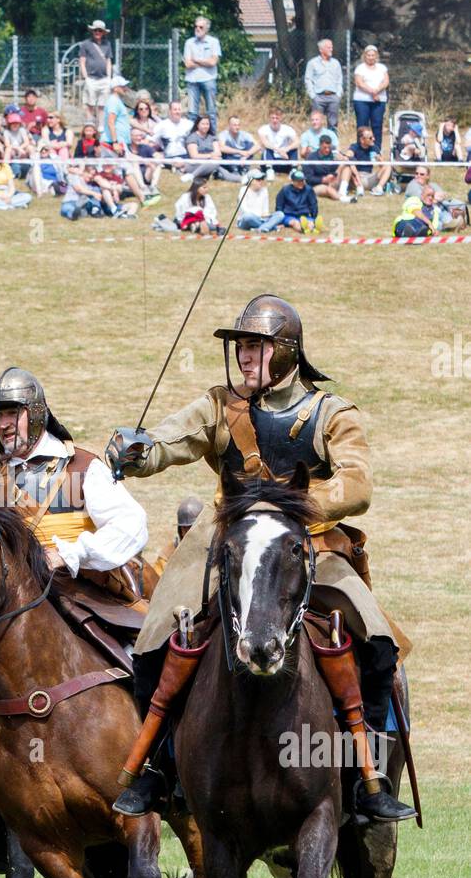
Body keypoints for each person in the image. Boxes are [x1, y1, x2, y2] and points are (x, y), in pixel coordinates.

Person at [106, 296, 415, 824]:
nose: (244, 357)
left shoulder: (330, 413)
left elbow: (358, 483)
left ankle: (370, 778)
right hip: (224, 543)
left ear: (286, 351)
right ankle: (161, 767)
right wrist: (138, 449)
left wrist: (295, 507)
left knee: (377, 637)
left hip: (308, 543)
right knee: (154, 634)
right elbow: (170, 439)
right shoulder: (219, 406)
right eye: (241, 348)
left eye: (254, 346)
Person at [0, 366, 149, 866]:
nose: (3, 424)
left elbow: (132, 526)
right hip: (10, 612)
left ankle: (166, 776)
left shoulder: (80, 467)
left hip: (84, 592)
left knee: (143, 664)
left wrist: (71, 553)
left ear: (36, 414)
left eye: (11, 413)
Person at [183, 15, 221, 133]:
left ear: (206, 29)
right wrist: (205, 62)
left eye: (201, 27)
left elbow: (213, 62)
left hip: (208, 79)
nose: (197, 29)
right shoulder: (189, 42)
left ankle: (213, 138)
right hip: (192, 80)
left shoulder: (214, 42)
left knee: (211, 112)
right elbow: (188, 64)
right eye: (196, 26)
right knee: (192, 113)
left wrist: (197, 60)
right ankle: (191, 138)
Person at [337, 126, 391, 200]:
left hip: (369, 178)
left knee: (388, 166)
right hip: (355, 178)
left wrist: (379, 159)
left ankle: (379, 188)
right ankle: (343, 190)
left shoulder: (374, 148)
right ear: (362, 140)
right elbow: (347, 156)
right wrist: (348, 156)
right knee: (347, 165)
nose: (374, 139)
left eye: (373, 137)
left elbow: (382, 165)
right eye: (370, 138)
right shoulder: (355, 147)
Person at [153, 496, 203, 575]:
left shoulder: (213, 550)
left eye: (191, 527)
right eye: (184, 528)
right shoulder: (167, 556)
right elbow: (157, 582)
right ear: (180, 530)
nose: (187, 533)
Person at [353, 44, 389, 151]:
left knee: (377, 125)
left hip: (379, 100)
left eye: (373, 55)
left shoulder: (382, 68)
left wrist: (377, 90)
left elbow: (386, 81)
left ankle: (376, 150)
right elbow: (359, 82)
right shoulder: (360, 68)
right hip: (362, 101)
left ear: (376, 56)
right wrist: (372, 92)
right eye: (368, 55)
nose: (371, 57)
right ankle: (361, 150)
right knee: (362, 126)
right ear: (365, 56)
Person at [79, 19, 113, 126]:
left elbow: (108, 61)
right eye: (95, 30)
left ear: (103, 32)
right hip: (91, 78)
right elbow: (82, 62)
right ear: (92, 31)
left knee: (102, 104)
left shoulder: (107, 44)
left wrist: (109, 77)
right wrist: (86, 78)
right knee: (90, 104)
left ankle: (101, 126)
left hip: (104, 79)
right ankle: (90, 126)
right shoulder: (86, 44)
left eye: (100, 30)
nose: (97, 32)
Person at [304, 38, 343, 128]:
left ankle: (332, 141)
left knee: (333, 123)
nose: (331, 49)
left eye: (331, 47)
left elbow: (339, 79)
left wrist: (338, 94)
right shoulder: (312, 63)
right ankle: (317, 141)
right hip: (318, 97)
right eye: (328, 47)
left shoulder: (336, 63)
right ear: (321, 50)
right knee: (317, 122)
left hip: (333, 97)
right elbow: (308, 79)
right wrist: (313, 95)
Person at [235, 167, 284, 232]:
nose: (261, 181)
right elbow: (244, 210)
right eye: (258, 179)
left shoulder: (264, 190)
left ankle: (262, 228)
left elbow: (265, 210)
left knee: (280, 214)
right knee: (248, 216)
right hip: (246, 219)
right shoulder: (243, 190)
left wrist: (266, 215)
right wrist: (260, 216)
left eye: (262, 179)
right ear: (251, 181)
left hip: (262, 219)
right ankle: (271, 227)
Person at [153, 100, 195, 172]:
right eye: (175, 109)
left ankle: (178, 167)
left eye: (179, 109)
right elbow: (152, 140)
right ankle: (179, 167)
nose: (177, 112)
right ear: (169, 111)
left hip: (185, 155)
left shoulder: (189, 124)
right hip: (169, 156)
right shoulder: (162, 125)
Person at [257, 108, 300, 175]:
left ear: (281, 118)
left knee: (294, 149)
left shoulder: (288, 129)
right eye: (273, 118)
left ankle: (293, 170)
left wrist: (286, 149)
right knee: (267, 149)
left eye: (277, 118)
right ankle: (269, 170)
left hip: (284, 158)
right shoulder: (263, 129)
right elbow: (265, 143)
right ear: (269, 118)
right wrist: (279, 151)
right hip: (270, 159)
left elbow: (297, 142)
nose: (275, 120)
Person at [275, 165, 320, 230]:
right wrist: (279, 219)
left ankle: (312, 227)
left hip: (304, 216)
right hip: (289, 215)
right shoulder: (285, 190)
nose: (301, 183)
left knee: (310, 223)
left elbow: (313, 205)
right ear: (292, 181)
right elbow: (279, 205)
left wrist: (314, 217)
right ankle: (304, 230)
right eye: (298, 181)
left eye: (302, 180)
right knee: (295, 223)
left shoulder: (309, 190)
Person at [301, 134, 344, 199]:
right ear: (319, 145)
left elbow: (350, 160)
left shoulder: (334, 156)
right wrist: (323, 180)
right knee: (328, 189)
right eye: (325, 147)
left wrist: (343, 159)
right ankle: (344, 199)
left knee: (345, 164)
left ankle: (344, 189)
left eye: (329, 147)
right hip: (317, 185)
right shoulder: (311, 158)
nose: (327, 150)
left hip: (333, 181)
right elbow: (308, 178)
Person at [216, 115, 257, 180]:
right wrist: (240, 152)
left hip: (242, 159)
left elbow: (257, 146)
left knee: (250, 145)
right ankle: (234, 170)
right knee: (227, 144)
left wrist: (246, 155)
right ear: (229, 125)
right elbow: (222, 148)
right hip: (230, 158)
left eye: (238, 125)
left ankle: (244, 170)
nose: (237, 127)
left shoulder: (244, 134)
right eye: (234, 125)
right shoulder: (223, 134)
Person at [185, 113, 222, 186]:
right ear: (197, 125)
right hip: (195, 165)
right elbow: (194, 156)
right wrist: (210, 156)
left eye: (207, 124)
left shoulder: (212, 137)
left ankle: (241, 179)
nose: (205, 126)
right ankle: (193, 175)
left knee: (220, 168)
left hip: (211, 163)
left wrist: (212, 157)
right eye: (203, 124)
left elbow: (218, 153)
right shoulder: (192, 137)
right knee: (215, 163)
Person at [0, 111, 35, 178]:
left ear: (19, 124)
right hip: (13, 151)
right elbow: (7, 144)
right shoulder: (6, 132)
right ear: (9, 124)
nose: (15, 125)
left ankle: (34, 165)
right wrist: (18, 148)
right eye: (13, 123)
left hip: (22, 151)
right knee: (8, 149)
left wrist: (21, 148)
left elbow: (26, 142)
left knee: (30, 147)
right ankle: (4, 168)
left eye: (17, 123)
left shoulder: (22, 130)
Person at [102, 75, 132, 148]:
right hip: (114, 143)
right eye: (122, 86)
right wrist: (115, 142)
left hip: (120, 142)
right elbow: (111, 122)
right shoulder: (113, 101)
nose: (126, 88)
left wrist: (147, 130)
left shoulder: (118, 101)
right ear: (115, 88)